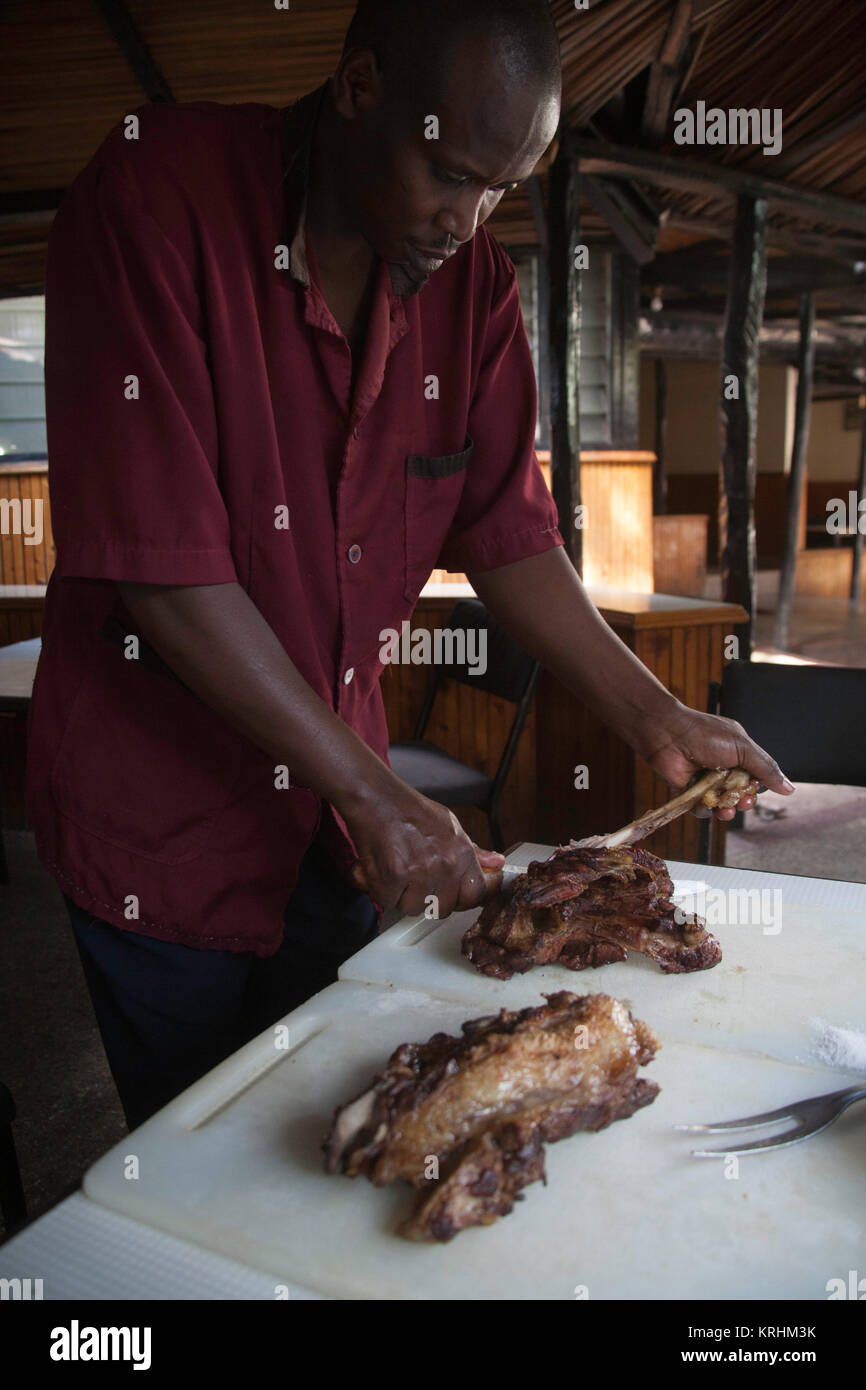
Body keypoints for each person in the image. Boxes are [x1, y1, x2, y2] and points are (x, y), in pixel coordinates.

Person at [27, 0, 791, 1130]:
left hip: (338, 834)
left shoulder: (469, 283)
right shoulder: (153, 201)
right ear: (358, 86)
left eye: (499, 187)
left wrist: (654, 712)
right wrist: (377, 796)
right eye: (447, 172)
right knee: (208, 1160)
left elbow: (508, 530)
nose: (467, 217)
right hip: (167, 822)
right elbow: (166, 573)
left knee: (350, 1127)